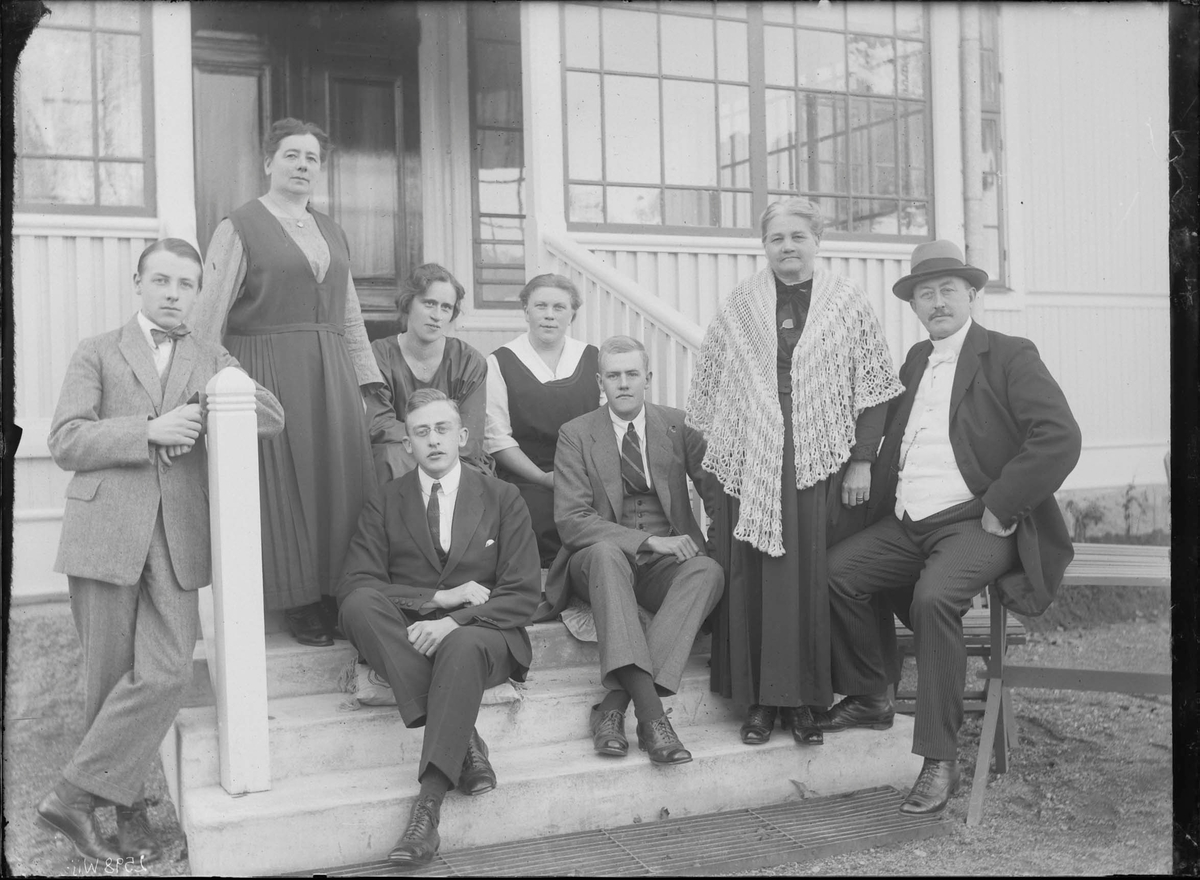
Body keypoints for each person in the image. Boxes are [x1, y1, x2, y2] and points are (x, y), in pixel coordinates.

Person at [36, 240, 284, 864]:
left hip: (177, 536)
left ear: (200, 293)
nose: (174, 293)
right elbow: (65, 439)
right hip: (107, 530)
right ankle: (123, 808)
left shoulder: (210, 356)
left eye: (187, 284)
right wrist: (148, 430)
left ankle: (71, 795)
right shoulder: (96, 350)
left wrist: (206, 409)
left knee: (167, 670)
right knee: (108, 675)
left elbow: (271, 417)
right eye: (162, 281)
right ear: (139, 283)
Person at [815, 240, 1082, 815]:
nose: (936, 302)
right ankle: (869, 695)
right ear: (914, 305)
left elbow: (1059, 436)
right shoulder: (914, 359)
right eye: (924, 294)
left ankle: (940, 760)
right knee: (837, 572)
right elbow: (876, 414)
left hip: (977, 523)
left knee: (934, 600)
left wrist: (1004, 504)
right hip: (910, 521)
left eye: (947, 291)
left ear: (971, 295)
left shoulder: (1010, 354)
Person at [686, 197, 905, 748]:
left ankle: (808, 702)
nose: (787, 247)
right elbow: (713, 382)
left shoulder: (848, 302)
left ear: (818, 240)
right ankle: (760, 704)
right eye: (777, 238)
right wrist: (737, 447)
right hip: (757, 456)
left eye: (797, 237)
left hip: (820, 459)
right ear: (764, 245)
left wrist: (861, 457)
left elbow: (873, 387)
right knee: (756, 577)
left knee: (809, 579)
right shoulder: (740, 305)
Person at [191, 118, 383, 648]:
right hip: (267, 368)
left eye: (312, 158)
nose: (302, 166)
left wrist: (367, 385)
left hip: (331, 370)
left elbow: (350, 316)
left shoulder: (331, 229)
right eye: (292, 155)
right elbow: (207, 317)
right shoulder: (239, 226)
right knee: (285, 489)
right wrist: (228, 378)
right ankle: (298, 600)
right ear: (269, 161)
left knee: (338, 482)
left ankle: (335, 592)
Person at [336, 388, 541, 866]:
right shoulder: (384, 501)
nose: (433, 440)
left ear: (463, 437)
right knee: (360, 606)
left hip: (484, 632)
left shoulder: (503, 497)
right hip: (409, 632)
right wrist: (434, 600)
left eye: (442, 429)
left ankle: (427, 809)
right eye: (421, 432)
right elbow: (355, 583)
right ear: (407, 444)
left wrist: (454, 620)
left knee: (463, 645)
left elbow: (523, 593)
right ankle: (463, 735)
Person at [542, 336, 724, 765]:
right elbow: (572, 520)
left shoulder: (679, 425)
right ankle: (652, 716)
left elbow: (719, 496)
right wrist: (647, 541)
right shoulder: (576, 434)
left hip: (663, 566)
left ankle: (612, 707)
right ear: (600, 381)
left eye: (632, 374)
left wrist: (709, 546)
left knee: (707, 572)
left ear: (648, 378)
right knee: (606, 554)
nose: (623, 383)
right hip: (600, 561)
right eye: (613, 375)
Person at [485, 274, 600, 566]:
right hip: (528, 477)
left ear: (572, 313)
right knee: (535, 518)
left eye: (559, 307)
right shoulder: (501, 361)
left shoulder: (592, 358)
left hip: (586, 475)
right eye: (540, 306)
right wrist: (542, 478)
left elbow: (607, 426)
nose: (549, 315)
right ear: (526, 310)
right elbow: (497, 438)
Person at [368, 263, 492, 483]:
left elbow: (470, 438)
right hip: (399, 458)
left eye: (446, 308)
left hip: (455, 459)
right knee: (391, 457)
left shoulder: (469, 360)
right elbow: (379, 425)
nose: (437, 315)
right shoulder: (379, 355)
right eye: (429, 303)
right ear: (408, 304)